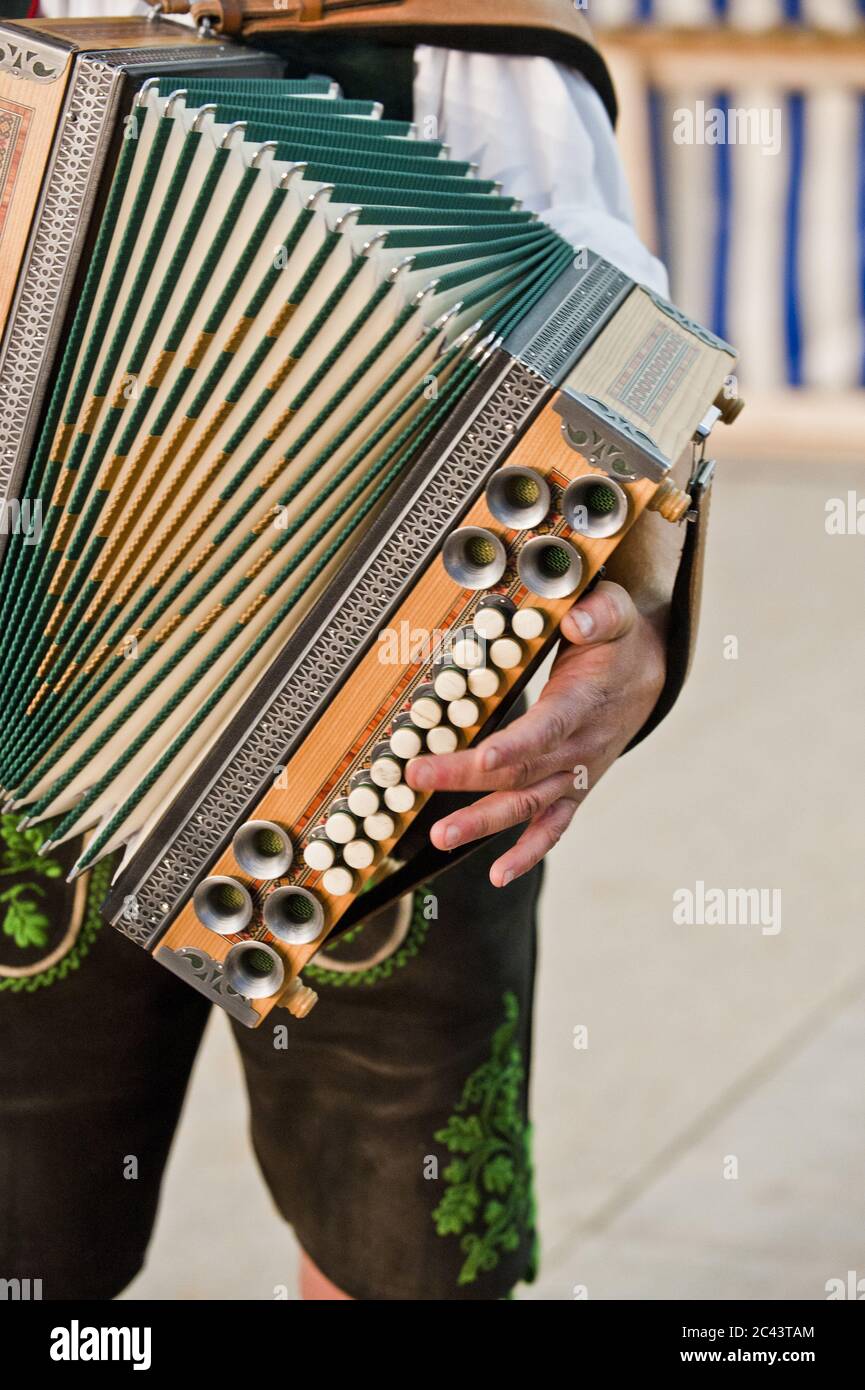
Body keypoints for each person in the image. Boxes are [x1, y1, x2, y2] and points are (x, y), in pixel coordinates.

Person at [0, 7, 688, 1301]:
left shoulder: (483, 41)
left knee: (399, 1246)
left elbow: (623, 369)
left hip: (398, 708)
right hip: (24, 682)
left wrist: (641, 611)